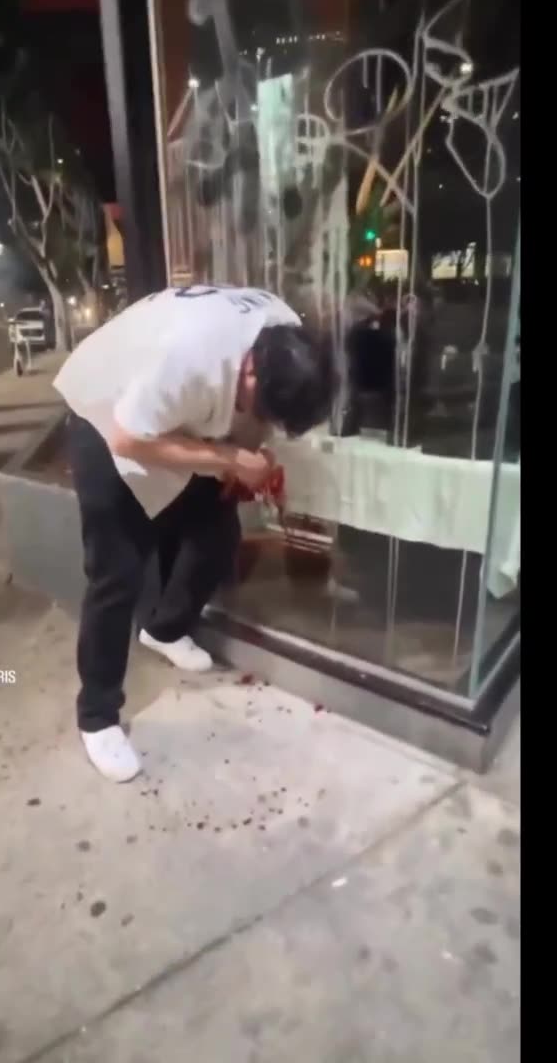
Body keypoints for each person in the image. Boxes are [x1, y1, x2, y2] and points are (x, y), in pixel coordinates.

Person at [52, 285, 336, 782]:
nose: (264, 424)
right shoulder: (188, 355)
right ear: (250, 370)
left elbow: (249, 420)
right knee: (117, 575)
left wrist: (253, 460)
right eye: (264, 412)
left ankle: (163, 629)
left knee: (216, 533)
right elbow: (128, 437)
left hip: (169, 412)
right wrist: (228, 458)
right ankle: (96, 716)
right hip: (105, 413)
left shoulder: (282, 332)